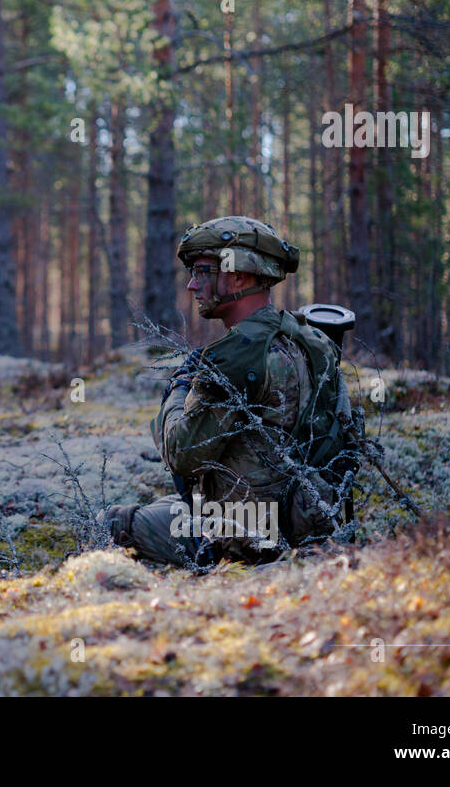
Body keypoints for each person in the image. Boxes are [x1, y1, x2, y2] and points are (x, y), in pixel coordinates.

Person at [104, 216, 361, 567]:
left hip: (244, 540)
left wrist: (181, 385)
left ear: (238, 274)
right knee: (168, 507)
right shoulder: (313, 340)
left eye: (203, 272)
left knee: (113, 522)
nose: (193, 286)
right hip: (308, 527)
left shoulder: (236, 357)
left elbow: (182, 453)